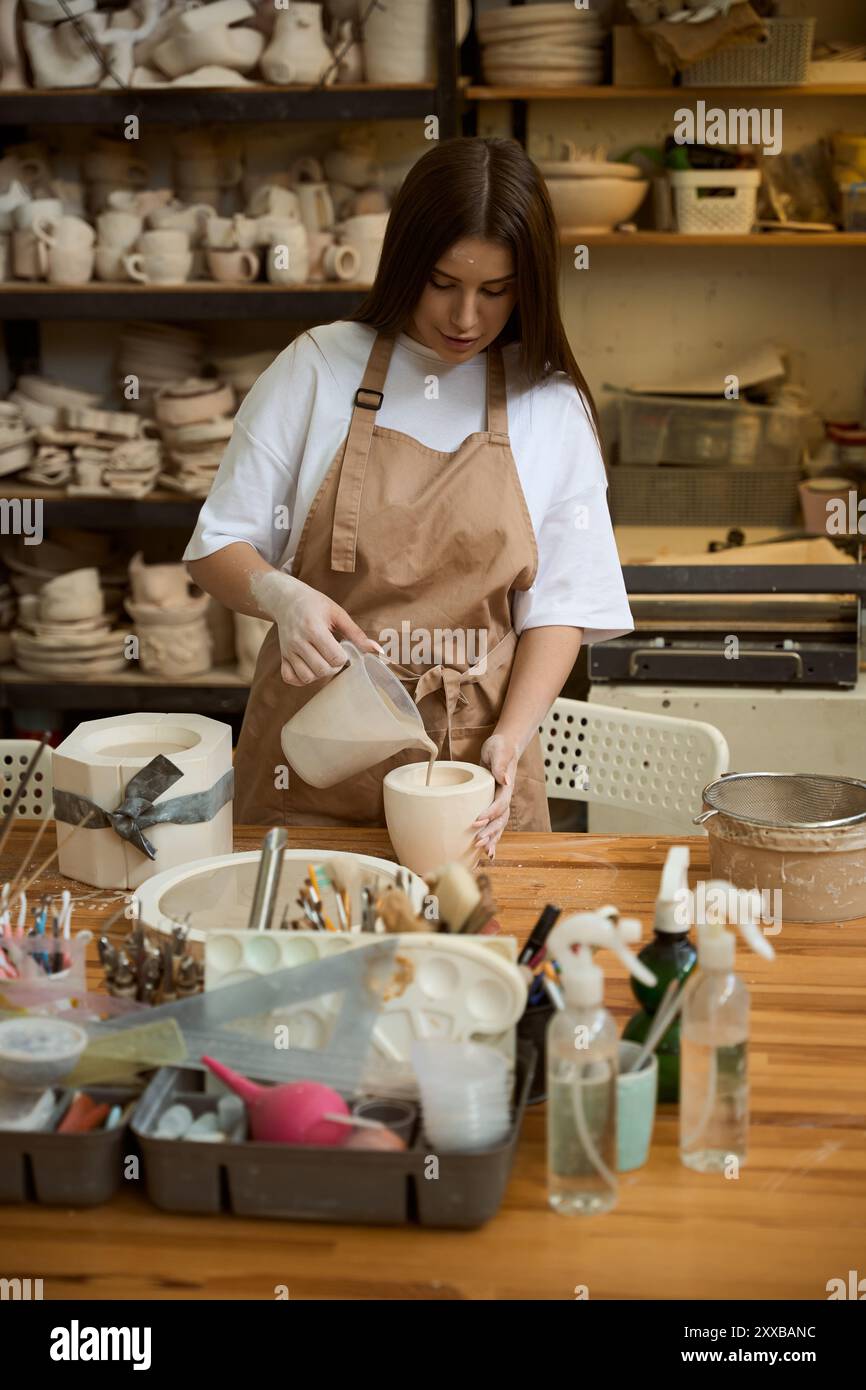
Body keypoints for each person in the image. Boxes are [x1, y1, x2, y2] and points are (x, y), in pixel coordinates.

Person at [185, 136, 633, 859]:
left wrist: (512, 739)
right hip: (312, 763)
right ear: (403, 265)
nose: (465, 317)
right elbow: (215, 549)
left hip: (473, 774)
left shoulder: (549, 403)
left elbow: (563, 607)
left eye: (495, 291)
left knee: (479, 957)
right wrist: (281, 597)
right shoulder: (319, 367)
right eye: (441, 283)